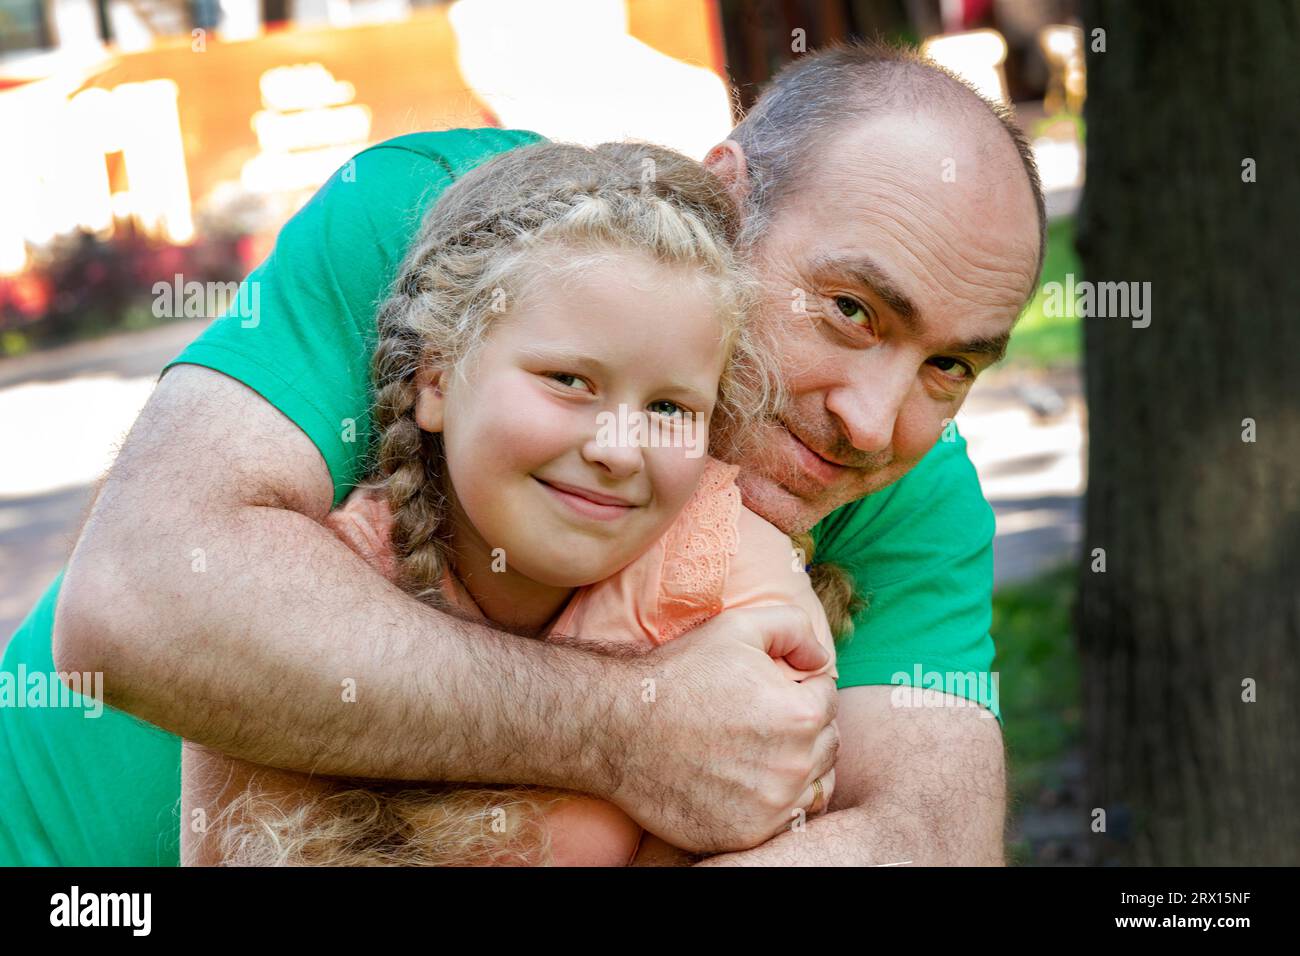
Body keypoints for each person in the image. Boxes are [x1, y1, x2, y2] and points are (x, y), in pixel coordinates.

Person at [1, 41, 1044, 866]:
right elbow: (137, 601)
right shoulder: (454, 234)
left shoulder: (912, 486)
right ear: (726, 200)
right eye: (851, 309)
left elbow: (928, 840)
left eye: (951, 365)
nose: (871, 420)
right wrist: (628, 732)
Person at [183, 139, 857, 866]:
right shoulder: (315, 601)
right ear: (435, 381)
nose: (618, 449)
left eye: (668, 407)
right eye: (569, 381)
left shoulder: (724, 567)